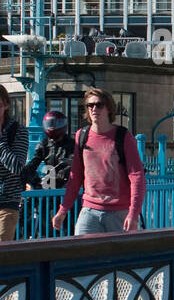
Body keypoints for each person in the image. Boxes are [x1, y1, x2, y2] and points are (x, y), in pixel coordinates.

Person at [51, 90, 146, 235]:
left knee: (120, 257)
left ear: (108, 108)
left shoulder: (123, 136)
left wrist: (133, 213)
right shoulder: (81, 135)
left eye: (99, 105)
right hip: (89, 210)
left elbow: (137, 176)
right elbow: (75, 176)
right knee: (82, 255)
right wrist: (62, 211)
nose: (94, 109)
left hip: (119, 212)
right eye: (90, 105)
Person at [0, 86, 30, 242]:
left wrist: (1, 142)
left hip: (7, 204)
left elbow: (17, 167)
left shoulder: (19, 131)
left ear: (6, 105)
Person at [22, 110, 74, 191]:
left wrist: (66, 171)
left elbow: (75, 163)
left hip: (67, 186)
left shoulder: (72, 144)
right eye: (49, 124)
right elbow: (33, 163)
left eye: (56, 124)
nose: (52, 127)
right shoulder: (44, 144)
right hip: (49, 184)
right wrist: (35, 180)